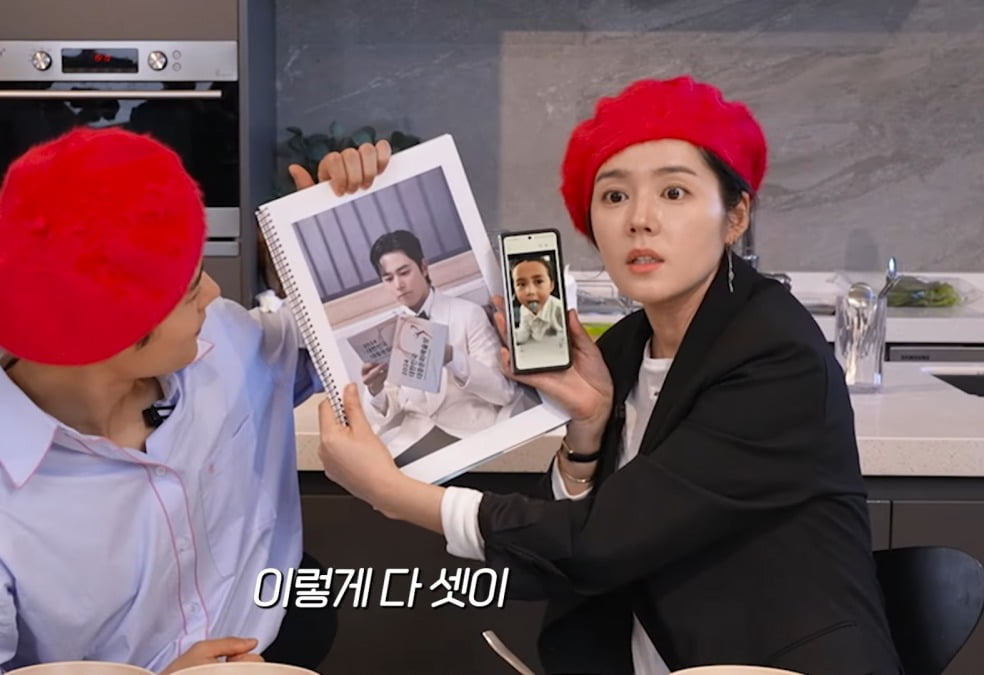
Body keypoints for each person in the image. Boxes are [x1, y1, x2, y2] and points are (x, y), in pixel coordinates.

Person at [312, 76, 901, 674]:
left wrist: (394, 495)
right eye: (615, 196)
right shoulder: (623, 347)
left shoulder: (774, 354)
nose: (639, 220)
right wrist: (586, 435)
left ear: (736, 216)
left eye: (674, 192)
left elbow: (596, 542)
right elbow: (549, 556)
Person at [0, 127, 370, 674]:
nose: (214, 294)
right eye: (191, 288)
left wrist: (328, 232)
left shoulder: (220, 339)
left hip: (278, 636)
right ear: (110, 339)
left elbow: (344, 349)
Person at [357, 229, 524, 467]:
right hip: (415, 439)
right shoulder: (389, 331)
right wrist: (375, 390)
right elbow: (383, 417)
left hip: (468, 434)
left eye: (404, 272)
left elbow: (503, 392)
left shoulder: (468, 314)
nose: (399, 285)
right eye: (388, 278)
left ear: (424, 267)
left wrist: (452, 357)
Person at [510, 256, 567, 346]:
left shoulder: (559, 308)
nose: (530, 291)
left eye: (539, 282)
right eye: (521, 284)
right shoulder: (524, 309)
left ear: (551, 285)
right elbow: (524, 333)